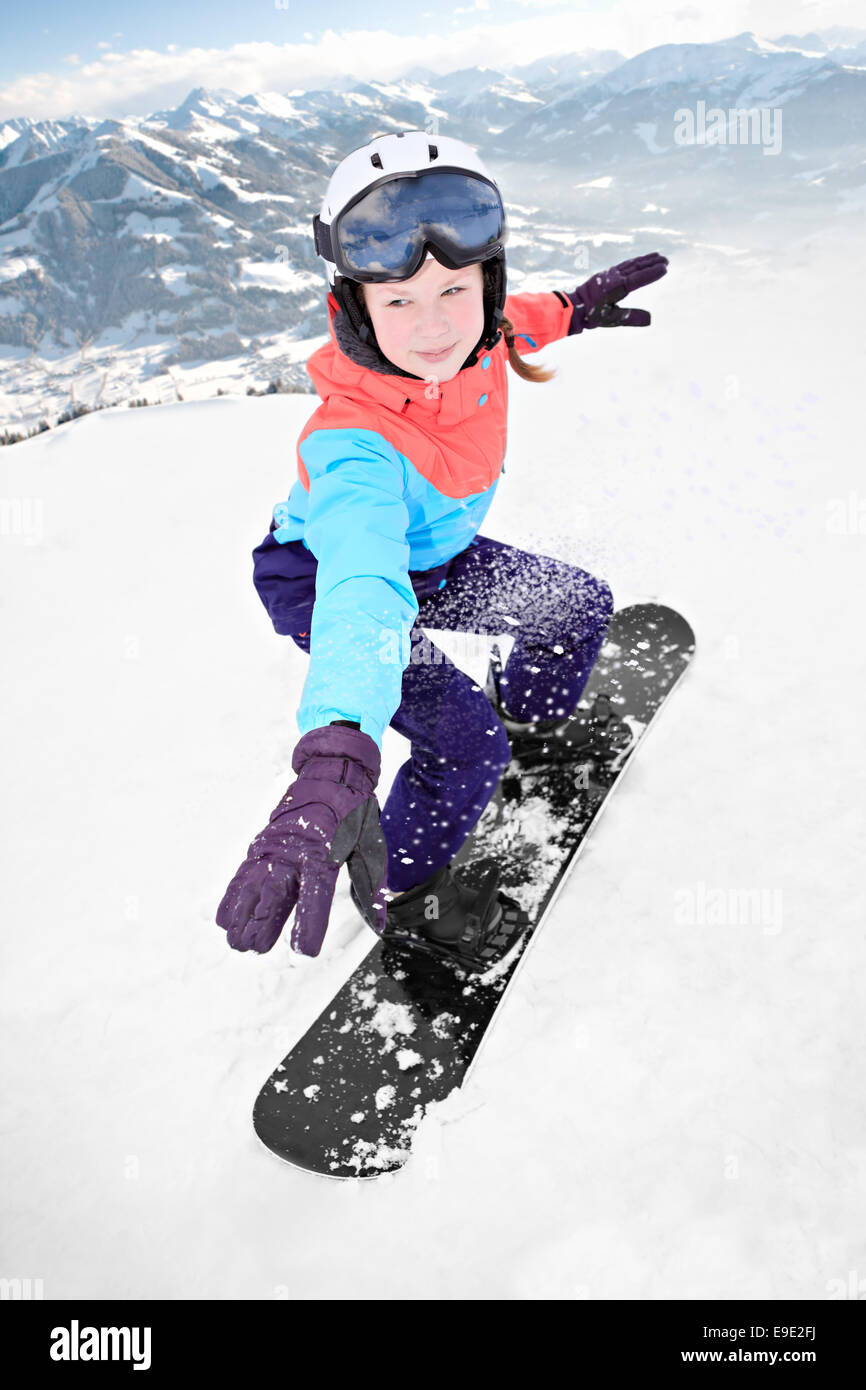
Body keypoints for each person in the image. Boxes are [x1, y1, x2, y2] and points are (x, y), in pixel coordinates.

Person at [216, 128, 668, 963]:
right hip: (330, 579)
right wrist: (340, 748)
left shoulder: (483, 336)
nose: (432, 327)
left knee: (576, 608)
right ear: (353, 307)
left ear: (483, 285)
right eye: (398, 303)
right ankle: (407, 892)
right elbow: (362, 585)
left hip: (431, 557)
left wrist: (574, 307)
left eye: (453, 291)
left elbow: (518, 323)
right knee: (464, 745)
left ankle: (530, 723)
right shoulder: (352, 444)